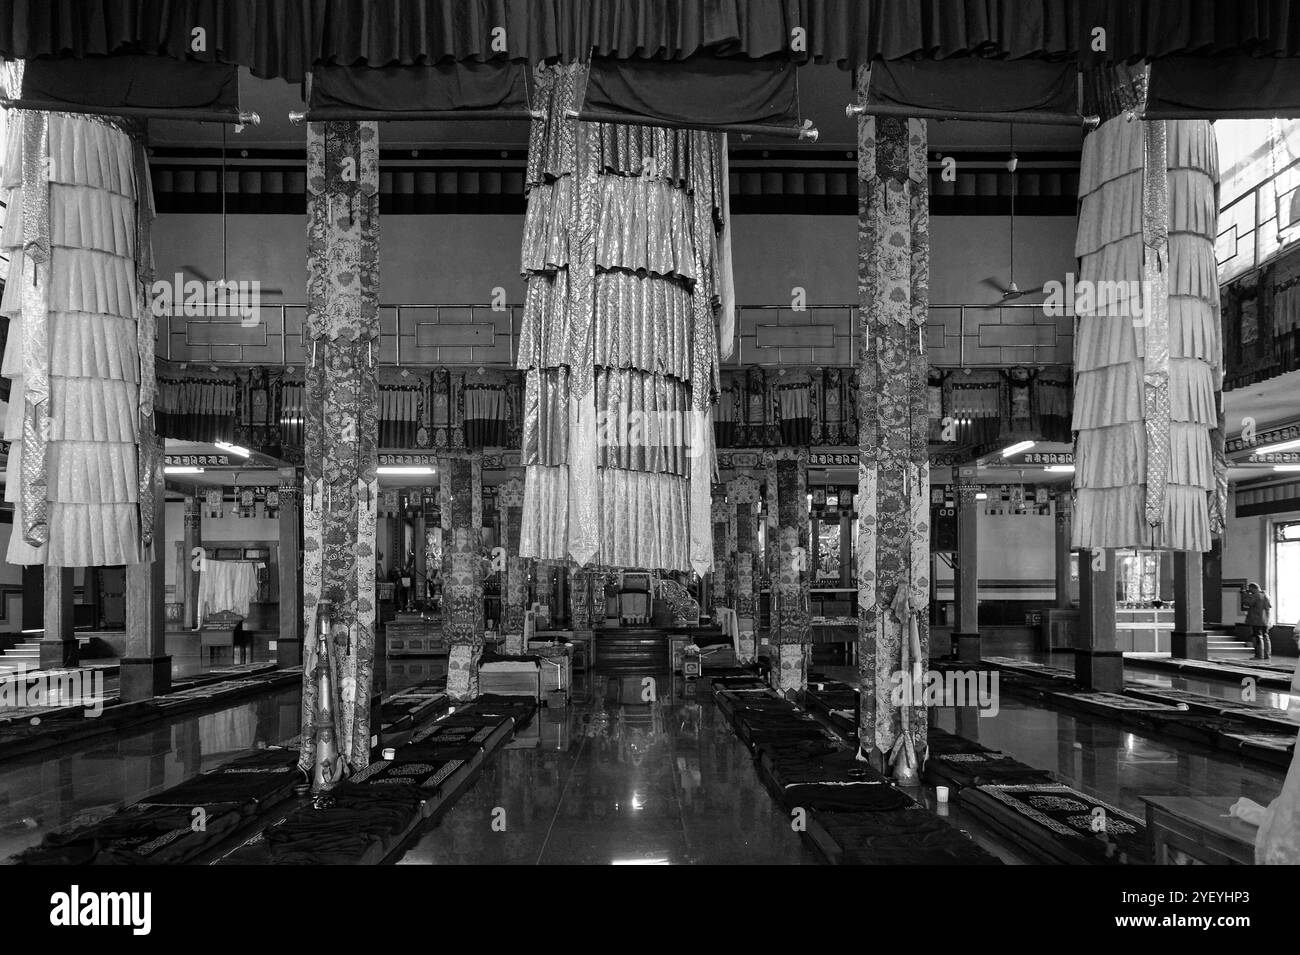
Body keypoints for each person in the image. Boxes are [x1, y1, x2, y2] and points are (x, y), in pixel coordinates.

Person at [1244, 582, 1273, 660]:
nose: (1249, 591)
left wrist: (1246, 595)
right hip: (1266, 620)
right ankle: (1267, 655)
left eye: (1250, 589)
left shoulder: (1256, 595)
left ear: (1253, 588)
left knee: (1257, 637)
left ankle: (1259, 655)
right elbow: (1269, 606)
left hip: (1256, 619)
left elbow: (1248, 603)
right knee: (1265, 636)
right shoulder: (1266, 595)